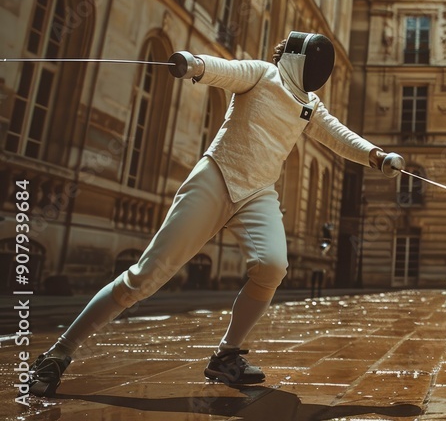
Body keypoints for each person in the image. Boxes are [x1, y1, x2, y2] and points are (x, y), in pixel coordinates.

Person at [27, 31, 405, 396]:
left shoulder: (310, 103)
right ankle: (58, 353)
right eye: (316, 62)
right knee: (145, 278)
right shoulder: (262, 73)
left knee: (272, 267)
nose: (320, 71)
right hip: (217, 177)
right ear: (297, 58)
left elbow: (338, 135)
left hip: (258, 193)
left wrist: (376, 156)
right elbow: (226, 70)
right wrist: (194, 65)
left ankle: (226, 356)